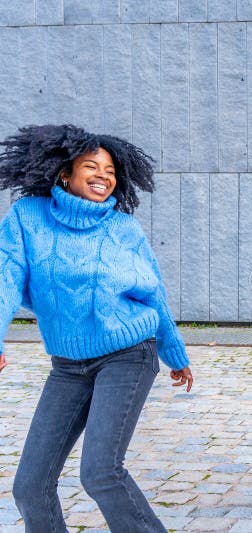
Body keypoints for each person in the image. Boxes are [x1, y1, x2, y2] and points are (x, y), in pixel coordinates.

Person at [0, 124, 193, 533]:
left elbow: (153, 293)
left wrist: (174, 353)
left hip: (127, 355)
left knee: (100, 472)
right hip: (68, 365)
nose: (104, 175)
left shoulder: (123, 228)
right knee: (30, 486)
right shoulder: (26, 218)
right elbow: (5, 279)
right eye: (91, 166)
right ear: (65, 173)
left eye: (110, 170)